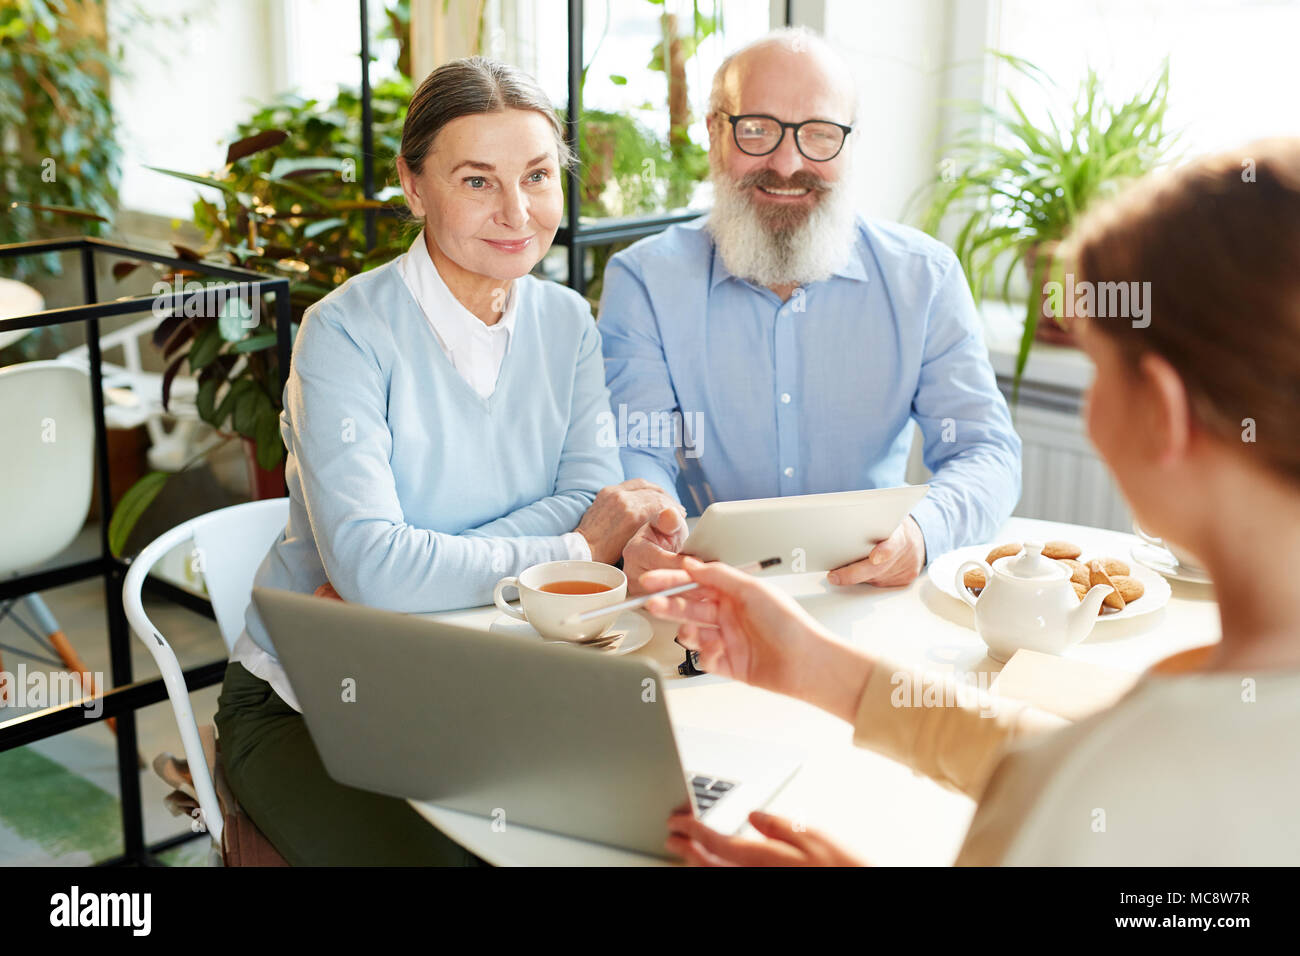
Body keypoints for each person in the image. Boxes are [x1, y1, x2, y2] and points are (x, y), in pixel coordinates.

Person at [644, 138, 1300, 865]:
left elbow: (1077, 784)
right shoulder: (1206, 715)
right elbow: (1058, 765)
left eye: (1098, 369)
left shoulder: (1117, 777)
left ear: (1165, 414)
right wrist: (820, 668)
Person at [215, 56, 678, 866]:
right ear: (413, 183)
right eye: (476, 181)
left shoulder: (567, 321)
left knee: (646, 836)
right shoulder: (345, 334)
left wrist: (424, 554)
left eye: (537, 176)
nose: (516, 212)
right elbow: (374, 569)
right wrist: (573, 550)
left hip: (491, 681)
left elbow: (583, 496)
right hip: (316, 703)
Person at [601, 28, 1021, 594]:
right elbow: (638, 451)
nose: (787, 161)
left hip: (866, 595)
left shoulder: (926, 277)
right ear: (713, 135)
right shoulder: (644, 281)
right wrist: (653, 529)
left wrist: (921, 533)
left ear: (847, 144)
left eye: (820, 135)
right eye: (756, 130)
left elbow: (986, 449)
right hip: (704, 593)